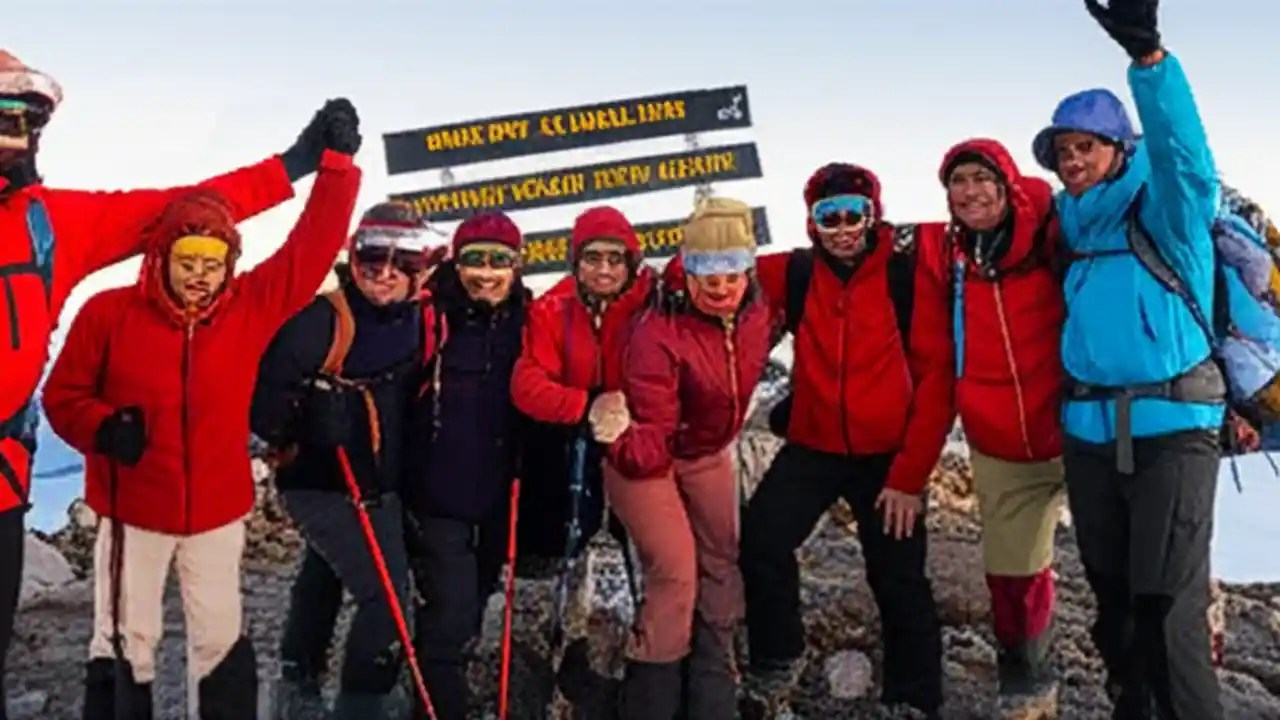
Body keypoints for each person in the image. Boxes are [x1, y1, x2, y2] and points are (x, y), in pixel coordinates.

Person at [0, 51, 344, 718]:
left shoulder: (51, 224)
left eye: (25, 119)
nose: (16, 133)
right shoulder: (107, 310)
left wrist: (298, 163)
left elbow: (184, 208)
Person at [1031, 0, 1224, 716]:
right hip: (1088, 440)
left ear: (1119, 147)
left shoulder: (1167, 213)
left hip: (1173, 433)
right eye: (1063, 151)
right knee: (1113, 610)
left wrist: (1151, 65)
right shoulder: (1071, 229)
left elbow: (1187, 158)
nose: (1073, 160)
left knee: (1166, 611)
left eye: (1088, 145)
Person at [738, 162, 953, 718]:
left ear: (873, 213)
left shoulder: (905, 276)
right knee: (761, 542)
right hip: (813, 446)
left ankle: (914, 699)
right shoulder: (796, 272)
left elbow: (935, 382)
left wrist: (909, 479)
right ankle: (777, 657)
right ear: (812, 222)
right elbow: (718, 268)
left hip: (887, 456)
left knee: (899, 577)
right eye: (827, 216)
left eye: (853, 213)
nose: (842, 227)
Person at [252, 200, 436, 718]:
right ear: (354, 258)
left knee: (328, 569)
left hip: (379, 479)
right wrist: (309, 417)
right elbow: (264, 411)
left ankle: (297, 678)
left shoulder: (417, 319)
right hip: (322, 481)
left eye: (401, 261)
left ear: (420, 268)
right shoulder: (321, 321)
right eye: (372, 258)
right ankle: (364, 701)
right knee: (387, 600)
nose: (384, 272)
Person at [599, 197, 772, 719]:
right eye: (703, 270)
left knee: (722, 564)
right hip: (642, 456)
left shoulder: (759, 309)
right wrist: (615, 437)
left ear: (749, 269)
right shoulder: (660, 329)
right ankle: (652, 703)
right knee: (676, 574)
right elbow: (651, 434)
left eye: (730, 271)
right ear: (685, 267)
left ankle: (713, 699)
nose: (717, 285)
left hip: (705, 450)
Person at [919, 138, 1066, 716]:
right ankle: (1028, 685)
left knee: (1130, 565)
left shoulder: (1055, 231)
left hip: (1081, 429)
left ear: (1007, 184)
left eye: (983, 178)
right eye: (959, 181)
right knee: (1012, 577)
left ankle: (1161, 679)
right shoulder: (948, 255)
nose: (971, 191)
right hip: (1000, 445)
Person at [403, 211, 529, 720]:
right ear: (456, 262)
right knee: (449, 618)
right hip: (436, 495)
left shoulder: (530, 318)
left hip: (501, 495)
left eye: (499, 260)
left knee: (473, 609)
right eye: (474, 259)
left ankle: (433, 695)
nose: (485, 272)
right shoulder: (428, 315)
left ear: (516, 266)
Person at [510, 205, 655, 561]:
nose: (604, 270)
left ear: (632, 262)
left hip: (643, 432)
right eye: (592, 257)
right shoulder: (553, 308)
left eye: (615, 258)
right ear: (575, 261)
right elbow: (527, 385)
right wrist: (586, 405)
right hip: (576, 437)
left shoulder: (654, 302)